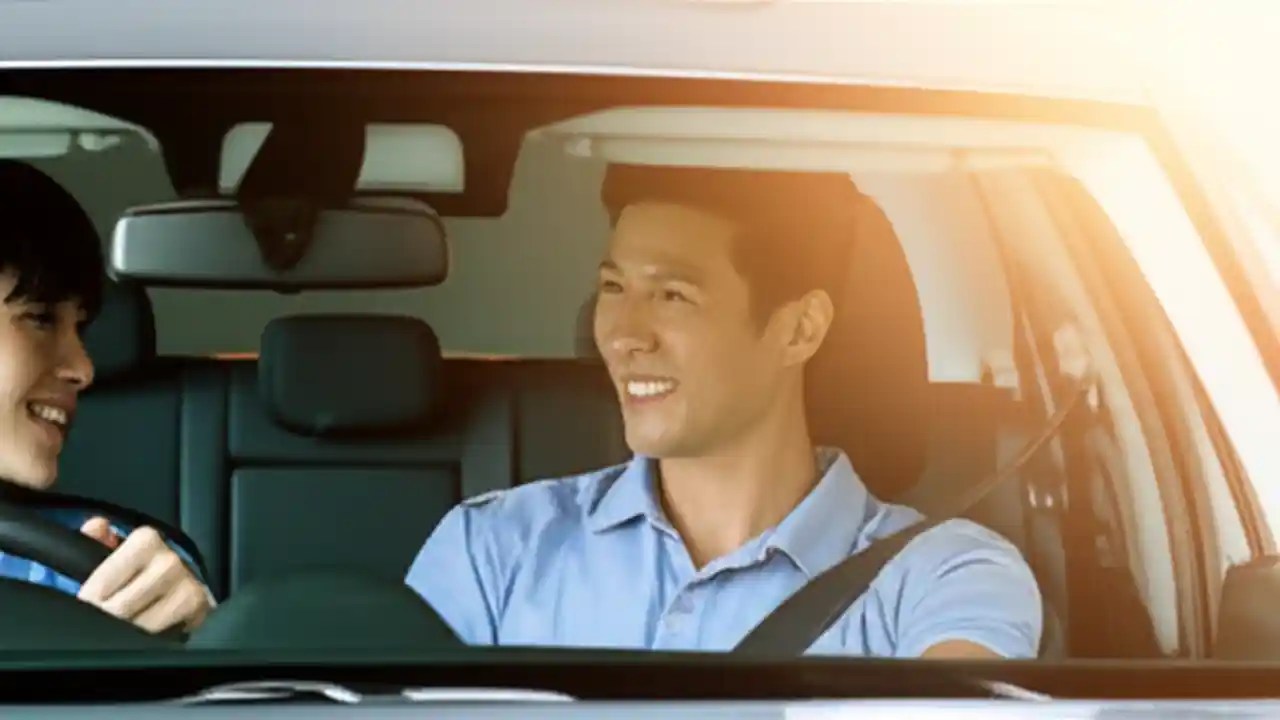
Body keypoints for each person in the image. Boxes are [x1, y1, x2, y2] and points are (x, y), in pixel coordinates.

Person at [406, 165, 1042, 658]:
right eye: (612, 288)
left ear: (798, 330)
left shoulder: (943, 575)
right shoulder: (493, 551)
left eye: (673, 295)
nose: (624, 334)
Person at [0, 160, 213, 633]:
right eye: (40, 318)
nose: (84, 369)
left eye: (81, 327)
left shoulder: (126, 568)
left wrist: (204, 643)